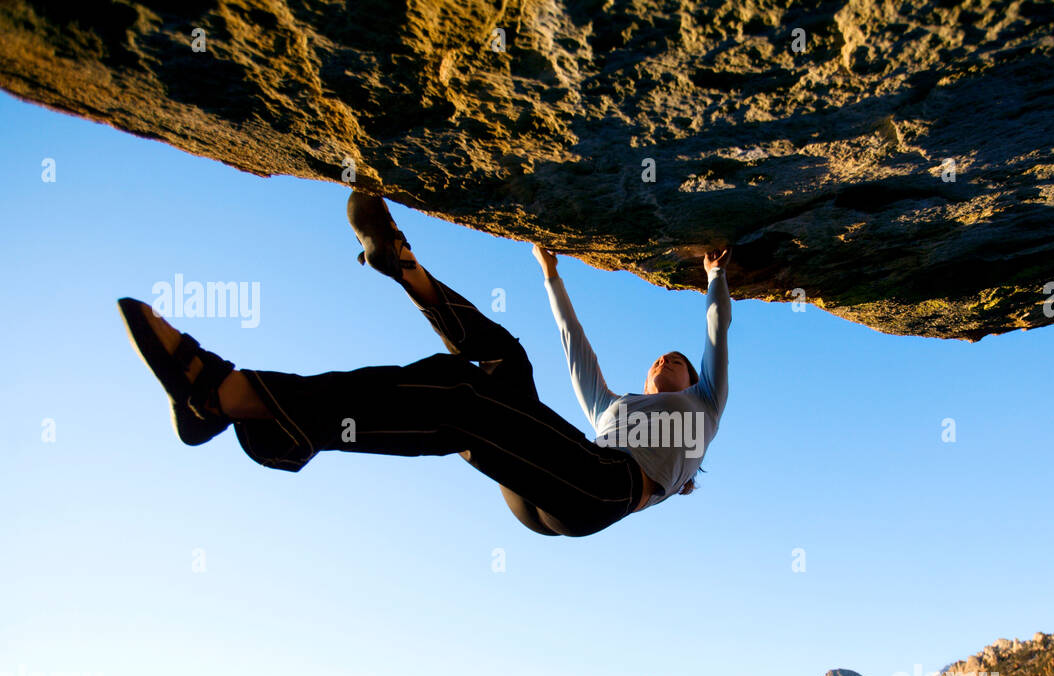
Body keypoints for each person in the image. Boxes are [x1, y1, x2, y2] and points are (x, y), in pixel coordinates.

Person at [116, 190, 732, 537]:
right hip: (553, 475)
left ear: (691, 380)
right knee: (502, 361)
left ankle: (226, 395)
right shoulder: (614, 408)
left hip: (602, 490)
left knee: (463, 403)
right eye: (660, 357)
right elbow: (575, 345)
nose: (665, 359)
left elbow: (714, 334)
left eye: (676, 361)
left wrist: (716, 278)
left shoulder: (703, 407)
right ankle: (407, 268)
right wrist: (550, 275)